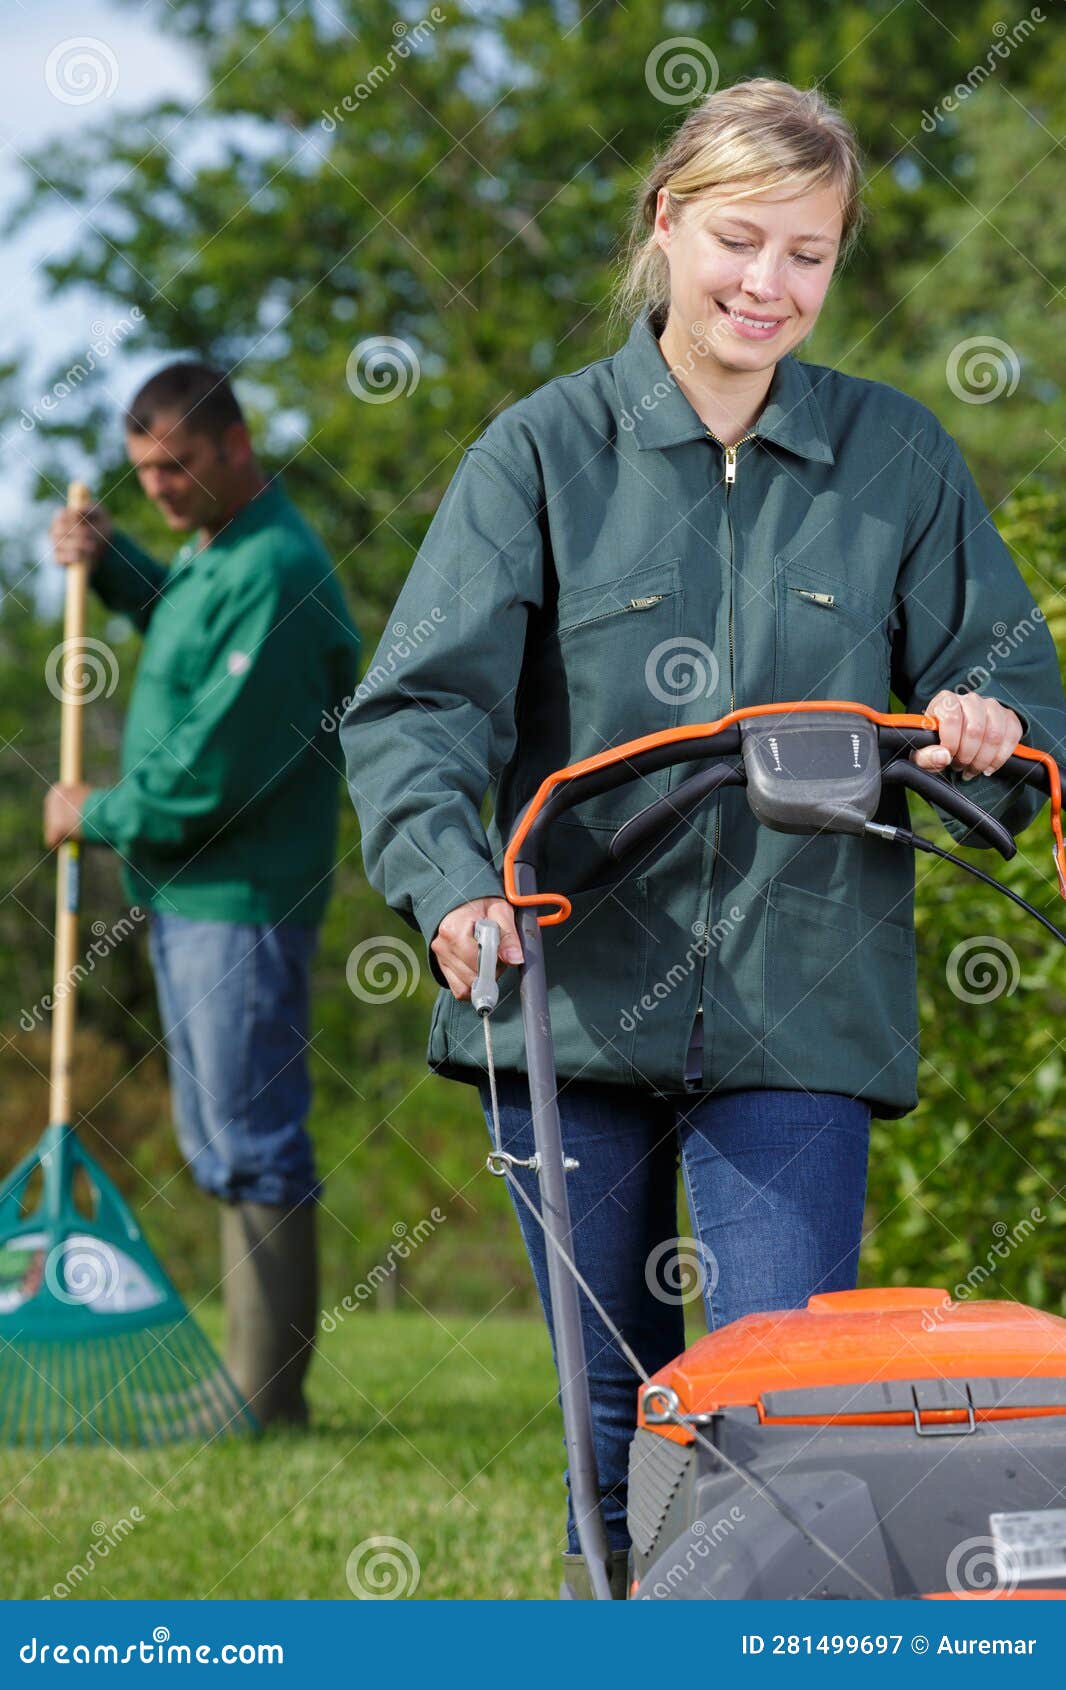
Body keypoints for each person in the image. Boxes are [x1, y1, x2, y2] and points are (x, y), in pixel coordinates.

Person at [340, 79, 1066, 1591]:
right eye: (740, 238)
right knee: (613, 1410)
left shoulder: (895, 459)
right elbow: (417, 710)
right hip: (569, 992)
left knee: (781, 1411)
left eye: (809, 253)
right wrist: (450, 885)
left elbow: (1006, 694)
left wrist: (985, 734)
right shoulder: (539, 455)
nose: (768, 285)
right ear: (664, 226)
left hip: (804, 996)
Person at [47, 362, 361, 1426]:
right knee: (217, 1133)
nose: (162, 487)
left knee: (251, 1132)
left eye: (177, 465)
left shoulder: (276, 569)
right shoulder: (213, 553)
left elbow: (207, 777)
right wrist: (115, 561)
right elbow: (182, 613)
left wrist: (88, 811)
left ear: (236, 445)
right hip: (191, 899)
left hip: (244, 899)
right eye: (143, 472)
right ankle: (247, 1377)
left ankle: (265, 1396)